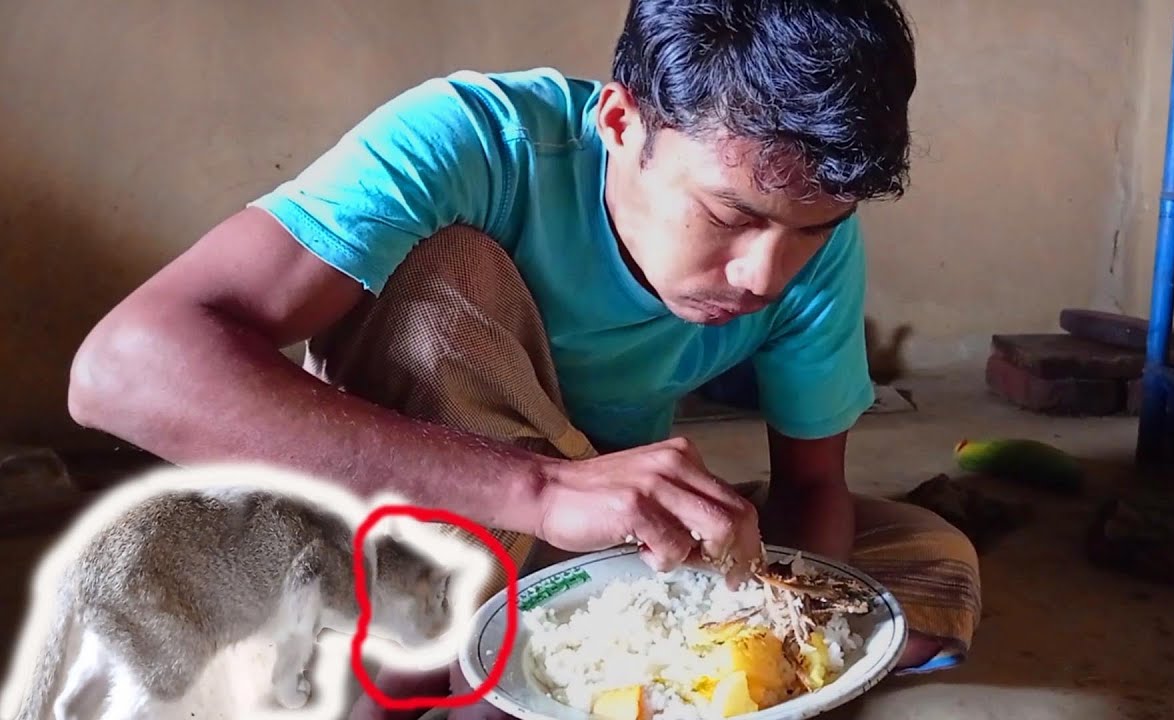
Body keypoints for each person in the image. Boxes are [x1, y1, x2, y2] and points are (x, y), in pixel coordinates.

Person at [68, 1, 981, 717]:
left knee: (924, 564)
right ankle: (442, 659)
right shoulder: (470, 140)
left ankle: (516, 664)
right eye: (730, 215)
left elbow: (814, 490)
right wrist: (539, 489)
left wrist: (771, 635)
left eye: (816, 229)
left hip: (599, 531)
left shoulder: (802, 250)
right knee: (444, 276)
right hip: (411, 519)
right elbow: (121, 371)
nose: (763, 274)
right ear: (621, 121)